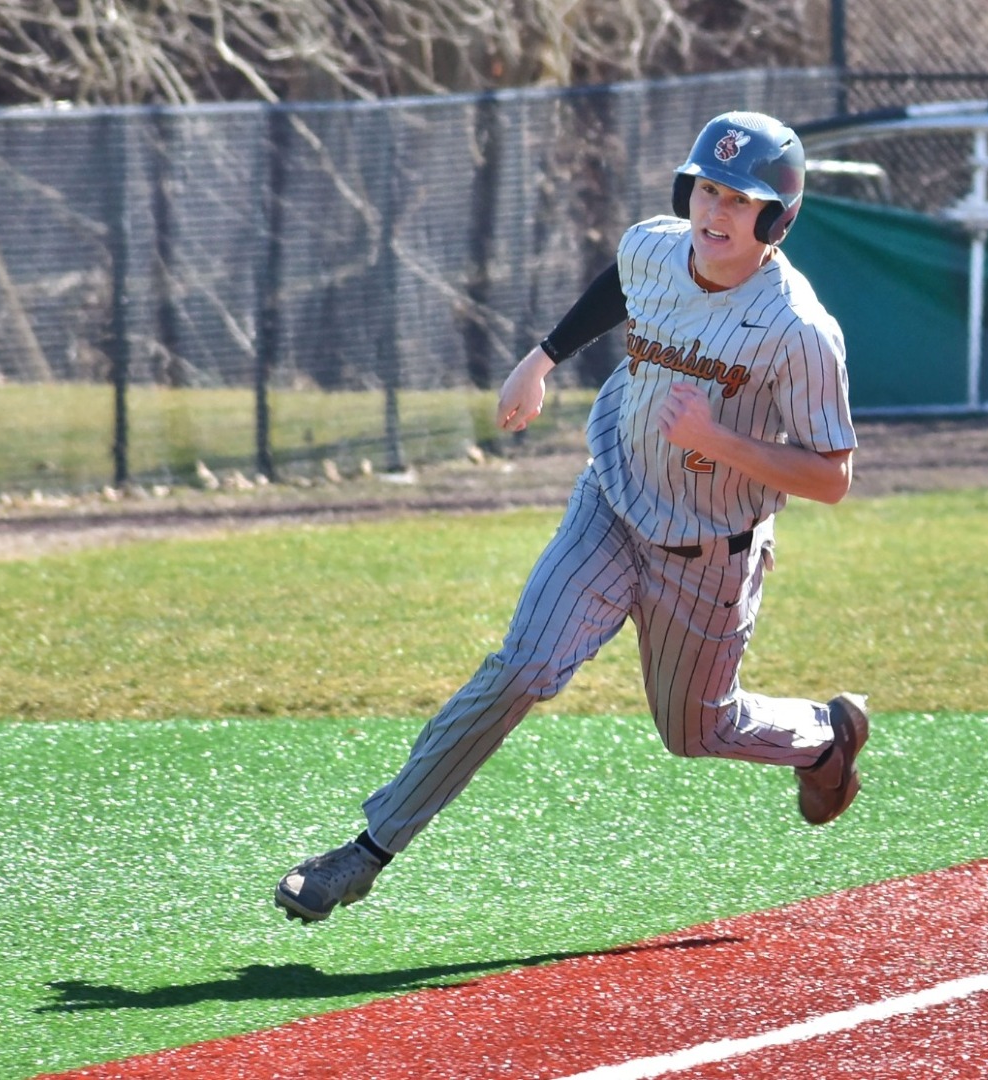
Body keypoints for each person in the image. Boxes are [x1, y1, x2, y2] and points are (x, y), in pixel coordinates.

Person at [275, 110, 868, 923]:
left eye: (740, 200)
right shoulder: (657, 246)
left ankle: (823, 737)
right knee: (521, 667)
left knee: (696, 730)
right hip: (612, 503)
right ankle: (366, 851)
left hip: (708, 552)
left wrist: (716, 440)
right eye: (706, 188)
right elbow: (622, 285)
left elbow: (833, 477)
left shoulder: (797, 331)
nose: (714, 211)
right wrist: (540, 360)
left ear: (776, 219)